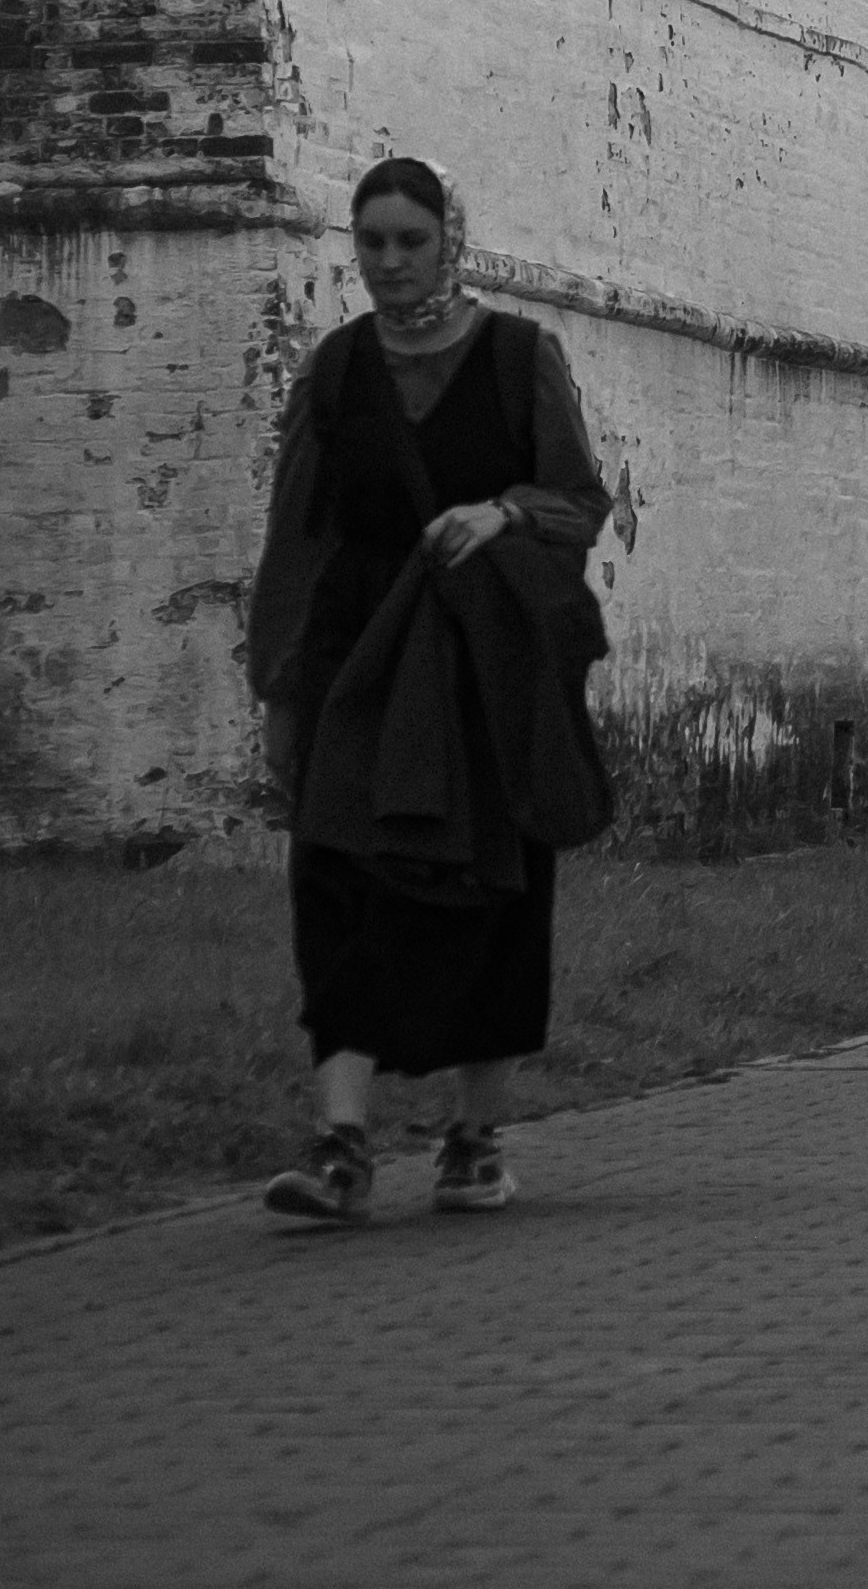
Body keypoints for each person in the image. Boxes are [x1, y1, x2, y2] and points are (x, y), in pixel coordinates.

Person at [240, 154, 612, 1225]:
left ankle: (473, 1136)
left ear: (450, 239)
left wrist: (502, 510)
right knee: (338, 886)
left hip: (479, 667)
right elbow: (296, 538)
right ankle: (341, 1143)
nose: (392, 262)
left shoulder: (516, 357)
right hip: (356, 665)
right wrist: (280, 688)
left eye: (411, 239)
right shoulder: (337, 371)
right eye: (372, 242)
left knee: (488, 895)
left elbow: (581, 500)